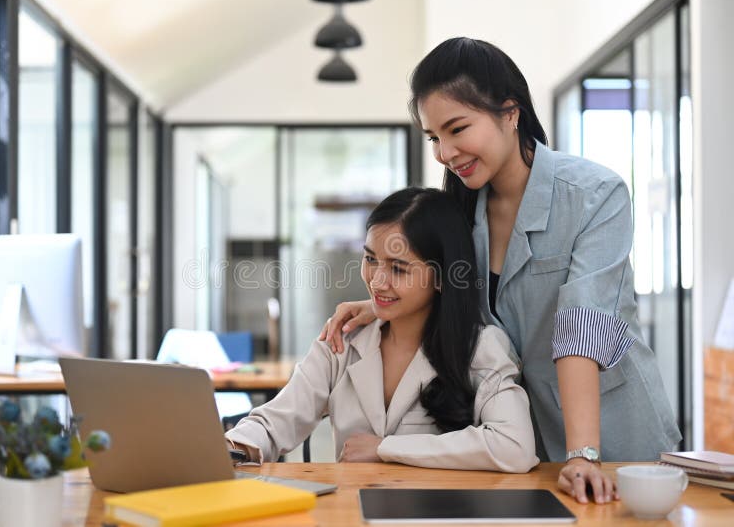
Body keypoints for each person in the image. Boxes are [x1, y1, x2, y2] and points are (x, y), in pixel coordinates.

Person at [320, 38, 681, 504]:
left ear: (510, 113)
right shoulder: (459, 213)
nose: (445, 152)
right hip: (518, 445)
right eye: (434, 137)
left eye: (457, 129)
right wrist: (379, 304)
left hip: (610, 441)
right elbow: (448, 293)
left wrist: (584, 454)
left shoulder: (595, 194)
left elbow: (582, 327)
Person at [226, 187, 538, 473]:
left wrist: (386, 449)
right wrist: (232, 447)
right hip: (351, 514)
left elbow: (514, 446)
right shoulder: (342, 341)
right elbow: (273, 423)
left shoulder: (480, 347)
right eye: (371, 259)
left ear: (442, 277)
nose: (376, 281)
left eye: (398, 268)